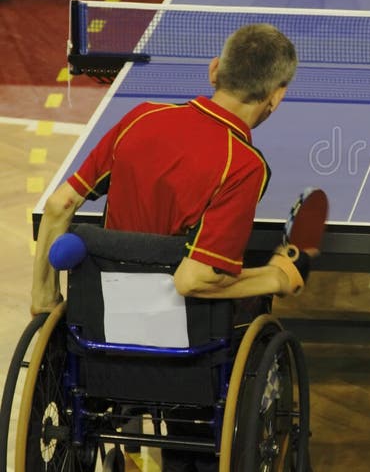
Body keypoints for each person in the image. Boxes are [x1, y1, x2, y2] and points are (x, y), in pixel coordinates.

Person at [30, 23, 301, 472]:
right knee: (253, 289)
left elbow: (61, 204)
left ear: (214, 71)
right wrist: (273, 275)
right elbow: (194, 279)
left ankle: (130, 434)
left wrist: (43, 300)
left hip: (99, 334)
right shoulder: (243, 164)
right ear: (277, 97)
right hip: (182, 352)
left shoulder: (142, 118)